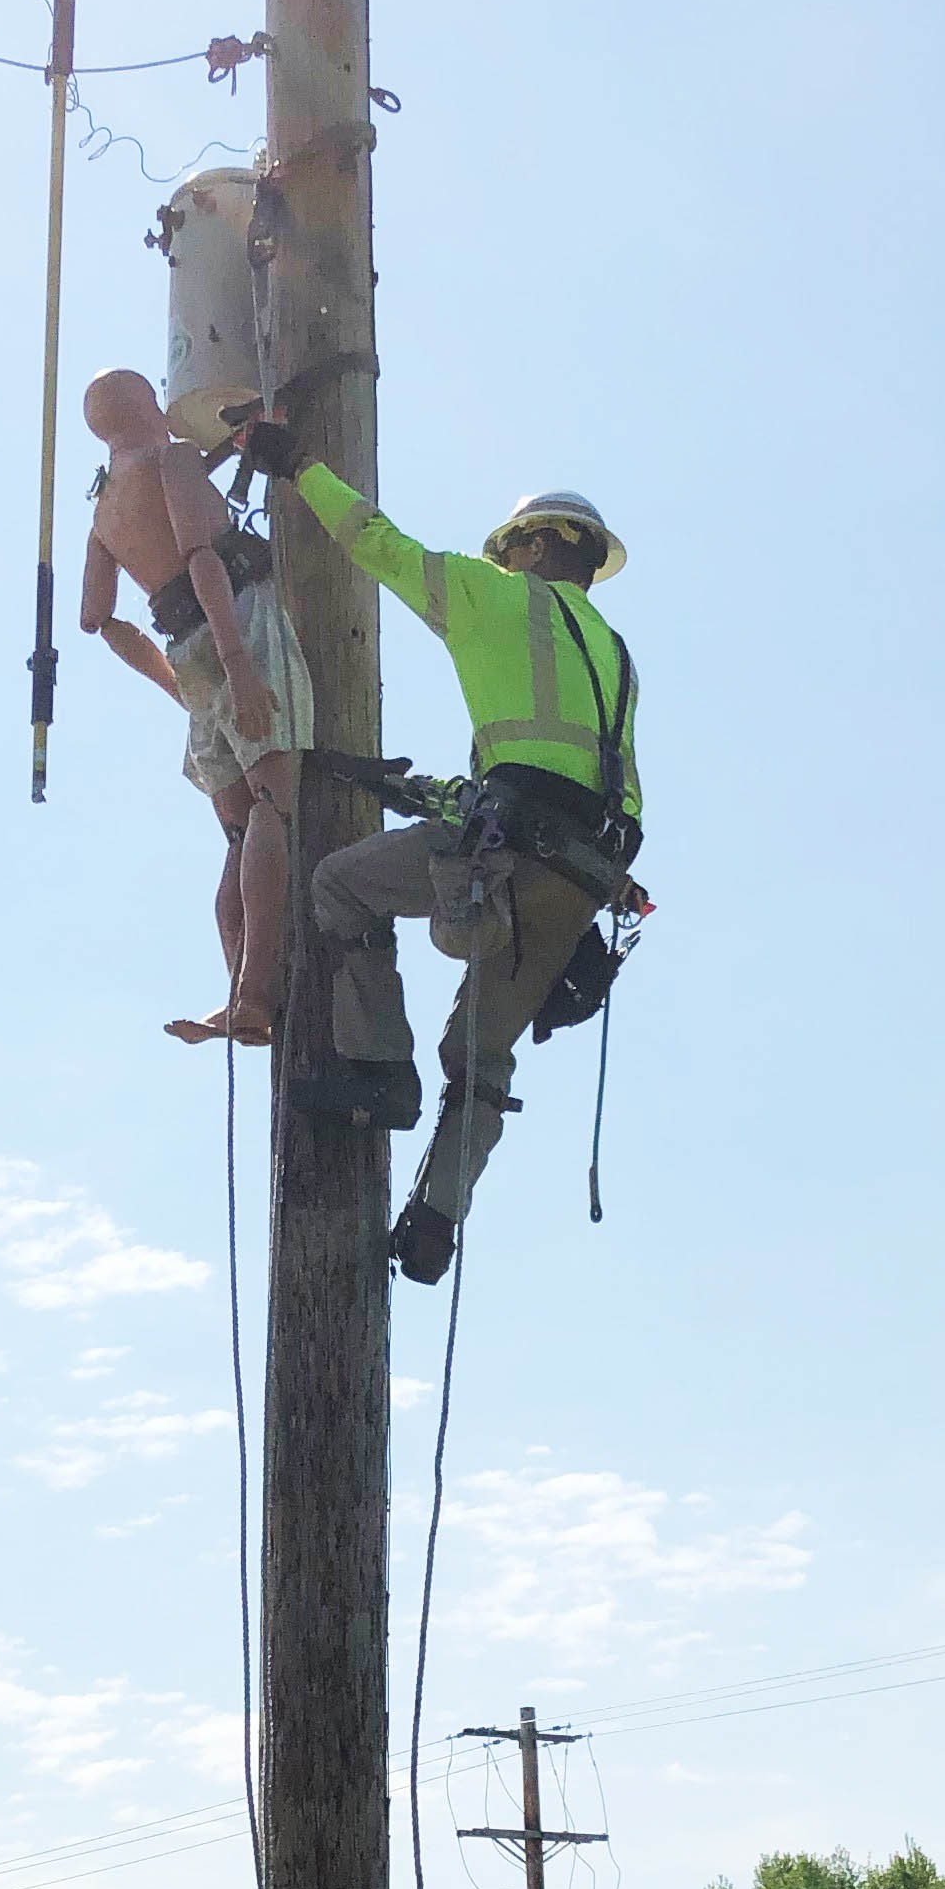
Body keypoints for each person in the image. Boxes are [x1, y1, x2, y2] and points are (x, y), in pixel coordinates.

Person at [234, 420, 642, 1286]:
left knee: (341, 886)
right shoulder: (614, 655)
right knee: (481, 1058)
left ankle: (380, 1070)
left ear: (538, 546)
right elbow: (566, 780)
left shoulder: (490, 595)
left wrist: (300, 465)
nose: (506, 559)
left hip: (507, 852)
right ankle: (434, 1222)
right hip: (581, 878)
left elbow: (376, 544)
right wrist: (420, 794)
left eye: (514, 547)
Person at [80, 368, 313, 1045]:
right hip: (236, 622)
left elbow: (100, 620)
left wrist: (176, 686)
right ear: (146, 407)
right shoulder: (171, 459)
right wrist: (239, 667)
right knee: (270, 806)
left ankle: (235, 989)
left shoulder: (104, 508)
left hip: (183, 646)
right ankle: (256, 992)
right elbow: (201, 553)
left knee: (238, 833)